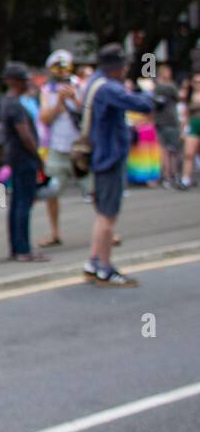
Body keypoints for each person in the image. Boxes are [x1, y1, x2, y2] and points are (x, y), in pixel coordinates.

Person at [82, 44, 158, 285]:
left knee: (103, 213)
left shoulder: (94, 82)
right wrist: (148, 91)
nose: (126, 69)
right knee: (108, 216)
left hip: (100, 155)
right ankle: (105, 267)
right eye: (123, 65)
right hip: (110, 157)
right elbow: (143, 105)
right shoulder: (109, 88)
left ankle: (93, 262)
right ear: (115, 67)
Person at [0, 62, 47, 262]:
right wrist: (38, 157)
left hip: (15, 157)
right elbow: (25, 135)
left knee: (17, 202)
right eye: (24, 80)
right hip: (23, 158)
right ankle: (23, 249)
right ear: (14, 82)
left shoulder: (7, 102)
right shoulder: (15, 106)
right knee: (24, 204)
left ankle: (16, 247)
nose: (28, 83)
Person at [37, 49, 84, 247]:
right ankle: (55, 233)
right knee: (52, 192)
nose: (61, 73)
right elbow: (44, 118)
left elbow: (89, 112)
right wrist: (59, 104)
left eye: (64, 68)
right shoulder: (48, 91)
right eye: (58, 69)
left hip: (80, 146)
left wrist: (74, 98)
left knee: (93, 190)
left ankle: (109, 229)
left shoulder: (80, 86)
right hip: (57, 146)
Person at [153, 65, 183, 188]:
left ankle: (166, 176)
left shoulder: (155, 87)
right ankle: (173, 175)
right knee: (173, 150)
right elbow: (178, 98)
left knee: (164, 150)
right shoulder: (170, 86)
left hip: (160, 121)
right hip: (171, 120)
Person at [183, 71, 200, 189]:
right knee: (189, 154)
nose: (198, 84)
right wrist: (183, 129)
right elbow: (186, 115)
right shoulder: (188, 96)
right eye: (195, 82)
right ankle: (185, 179)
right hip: (193, 124)